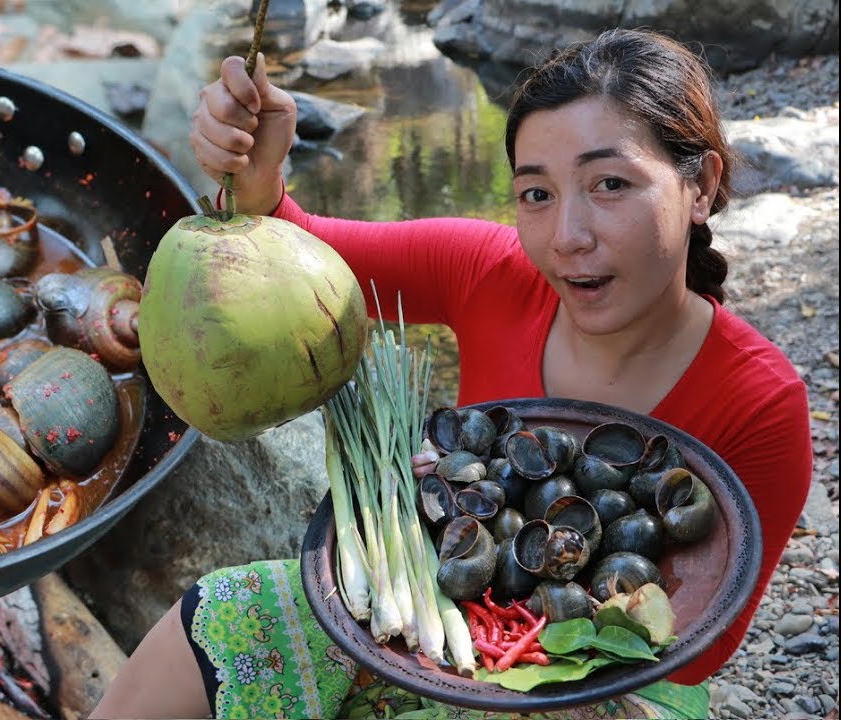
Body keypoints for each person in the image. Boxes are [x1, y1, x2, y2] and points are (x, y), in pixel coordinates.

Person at [92, 28, 812, 719]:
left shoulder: (760, 400)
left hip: (612, 673)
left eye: (611, 183)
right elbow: (300, 249)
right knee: (222, 612)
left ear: (700, 185)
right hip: (437, 617)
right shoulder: (490, 272)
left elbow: (700, 648)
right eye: (537, 194)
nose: (568, 237)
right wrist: (255, 179)